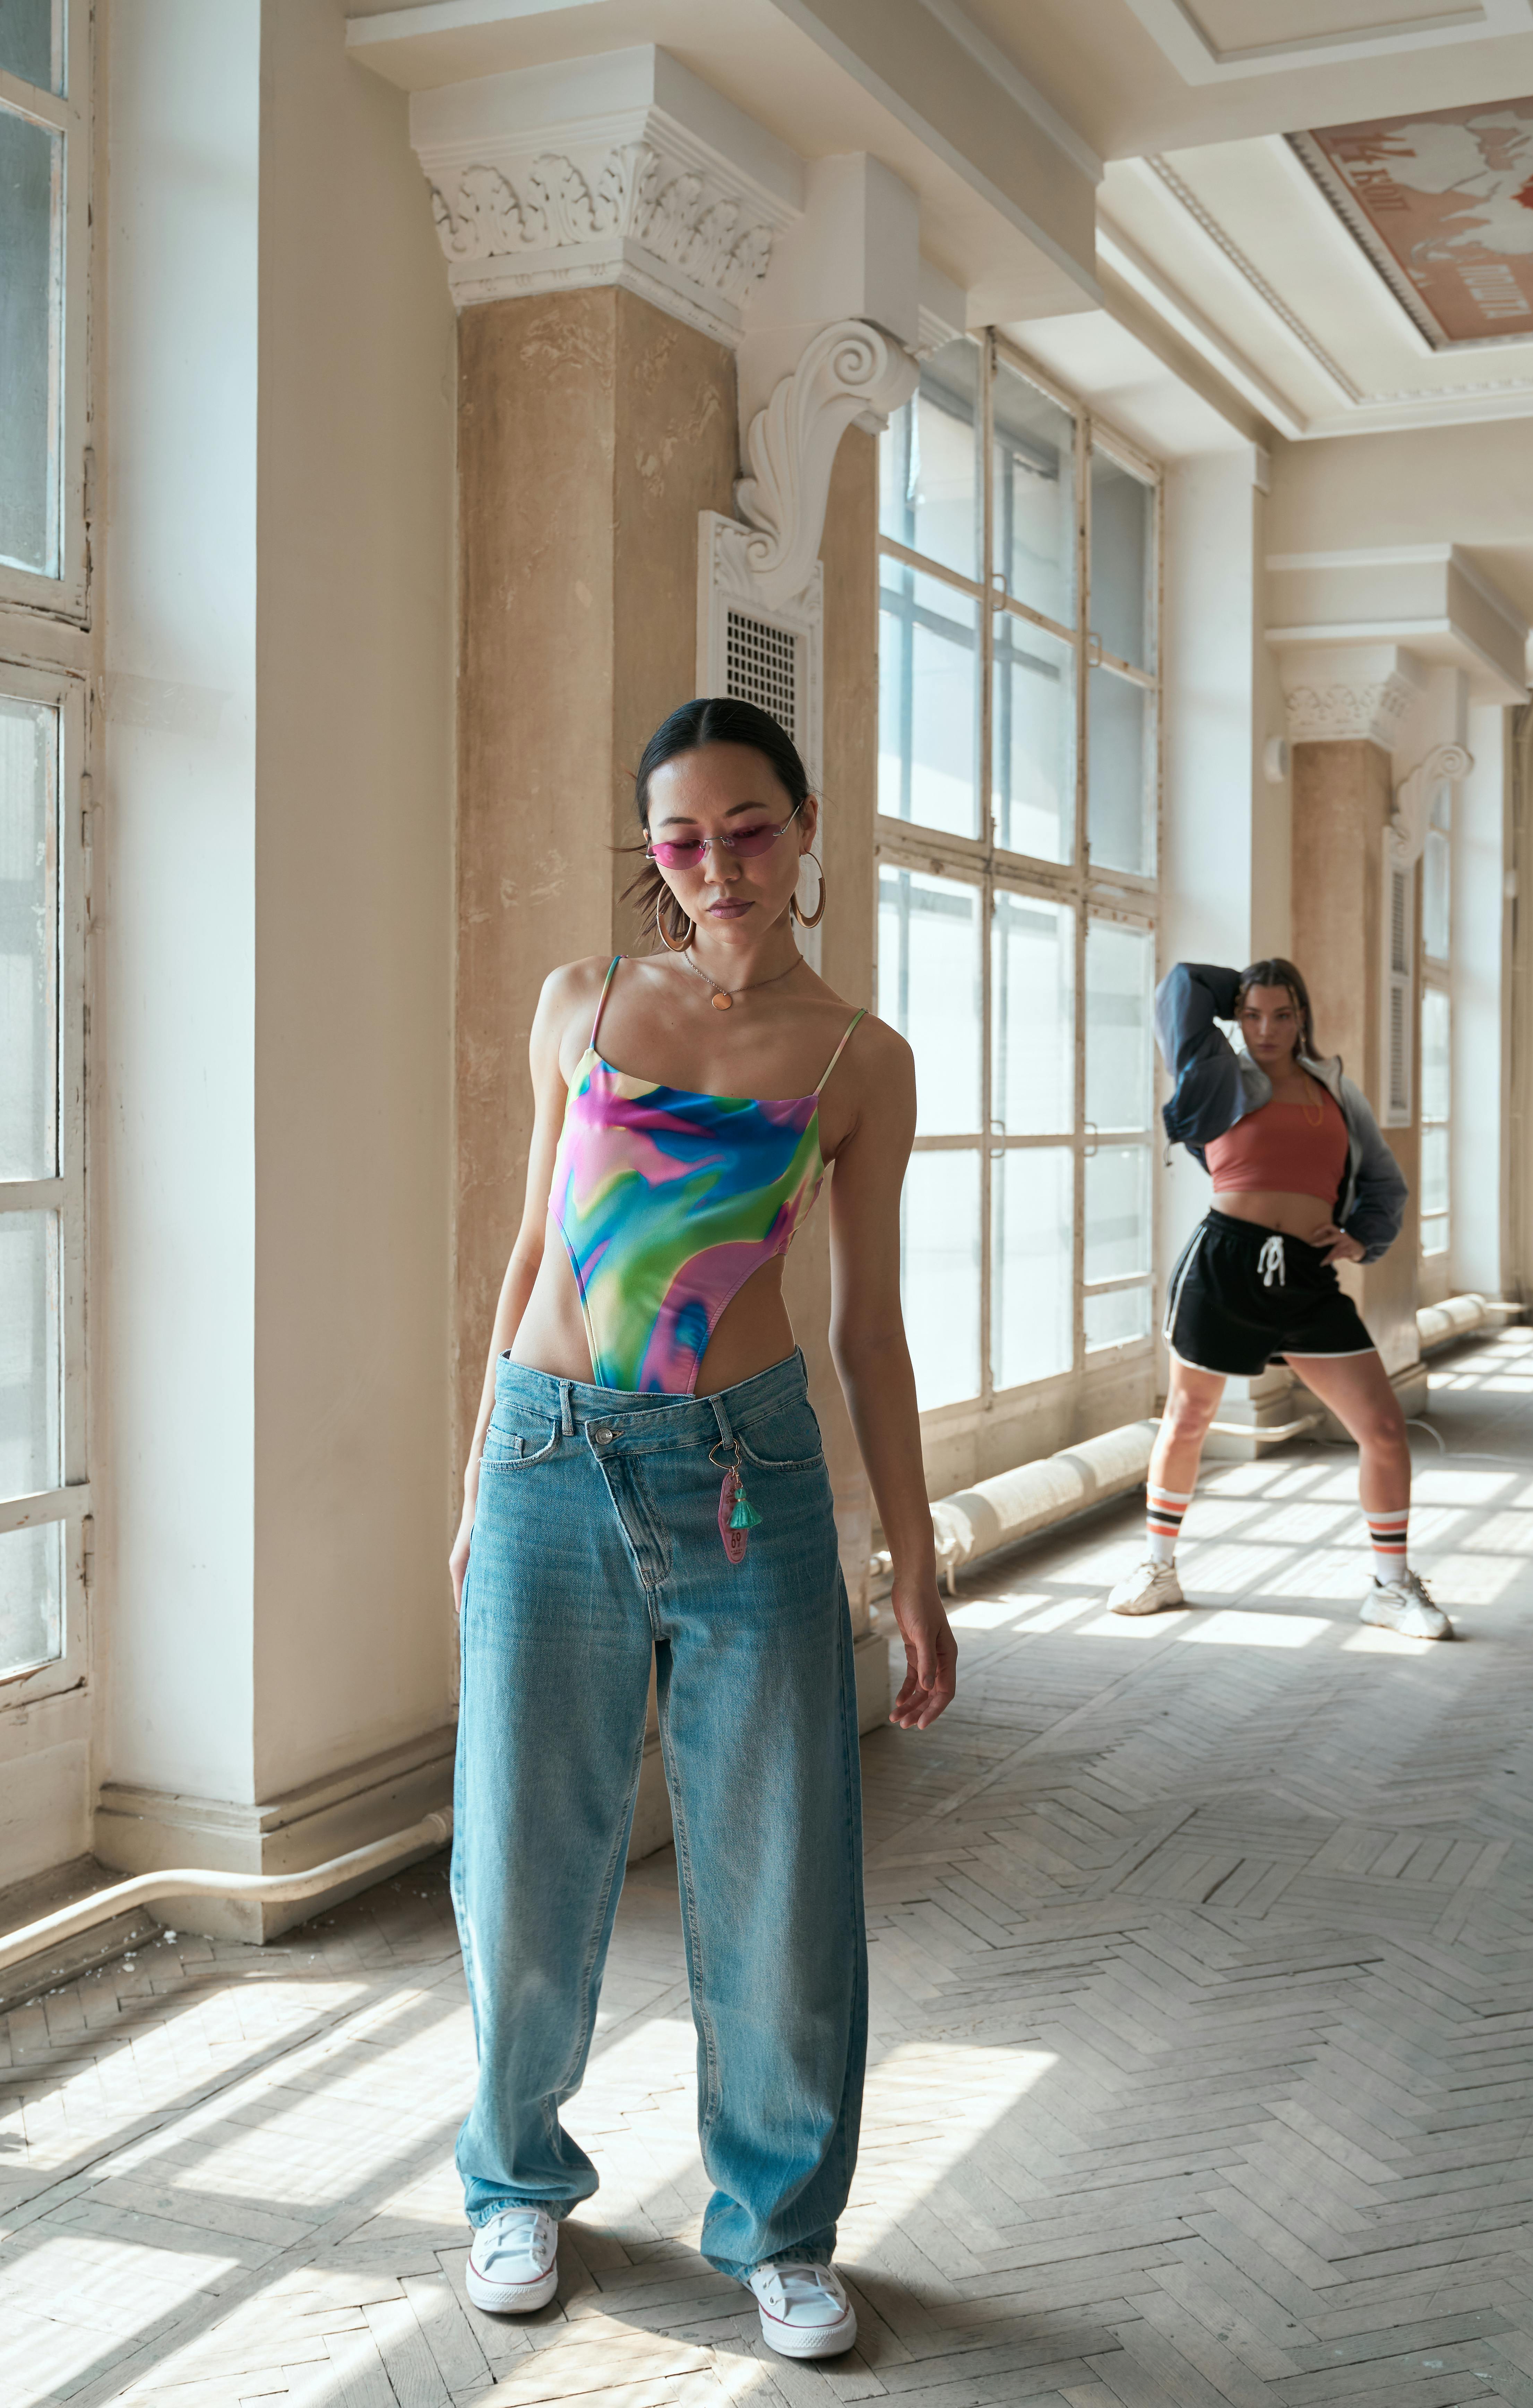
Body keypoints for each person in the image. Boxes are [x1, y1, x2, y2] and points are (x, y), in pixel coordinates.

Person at [447, 697, 957, 2361]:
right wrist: (475, 1488)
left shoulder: (856, 1059)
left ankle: (780, 2230)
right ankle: (515, 2181)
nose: (716, 867)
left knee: (777, 1870)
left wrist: (919, 1572)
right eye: (681, 839)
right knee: (524, 1853)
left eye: (748, 829)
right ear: (652, 854)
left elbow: (868, 1332)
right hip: (551, 1461)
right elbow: (531, 1256)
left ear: (804, 826)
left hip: (749, 1482)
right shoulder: (579, 1004)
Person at [1105, 957, 1450, 1642]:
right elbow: (1181, 986)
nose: (1266, 1028)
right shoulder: (1217, 1072)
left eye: (1283, 1013)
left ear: (1303, 1017)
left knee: (1382, 1428)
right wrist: (1245, 981)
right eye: (1253, 1013)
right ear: (1238, 1013)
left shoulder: (1335, 1090)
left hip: (1305, 1275)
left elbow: (1386, 1183)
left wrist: (1359, 1239)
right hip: (1224, 1261)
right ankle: (1158, 1565)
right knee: (1188, 1417)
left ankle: (1391, 1585)